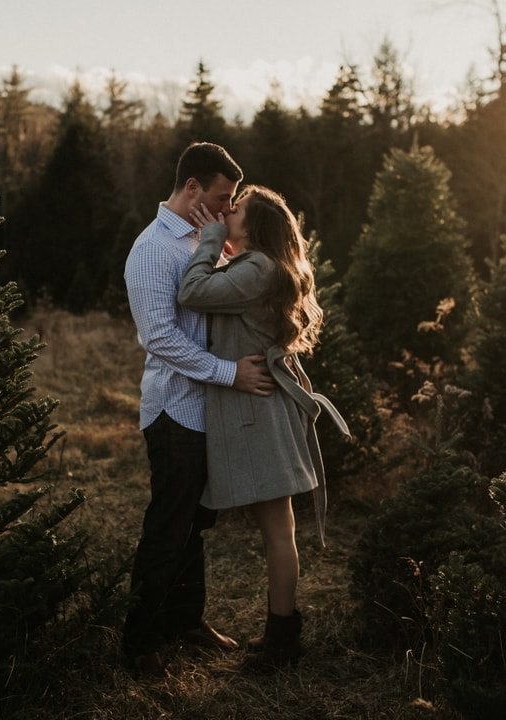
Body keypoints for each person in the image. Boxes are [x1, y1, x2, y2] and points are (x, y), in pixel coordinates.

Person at [179, 184, 350, 670]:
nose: (226, 210)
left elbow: (191, 292)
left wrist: (210, 238)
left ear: (253, 225)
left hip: (260, 414)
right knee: (278, 528)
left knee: (277, 530)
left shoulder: (257, 269)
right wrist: (220, 243)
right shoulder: (259, 267)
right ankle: (282, 635)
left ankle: (282, 646)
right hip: (262, 410)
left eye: (236, 209)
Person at [122, 142, 274, 679]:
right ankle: (139, 641)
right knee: (168, 526)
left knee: (196, 524)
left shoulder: (209, 242)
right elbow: (159, 337)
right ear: (192, 189)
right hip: (175, 413)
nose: (226, 205)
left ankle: (186, 620)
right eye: (220, 195)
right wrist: (230, 372)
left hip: (212, 413)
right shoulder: (153, 249)